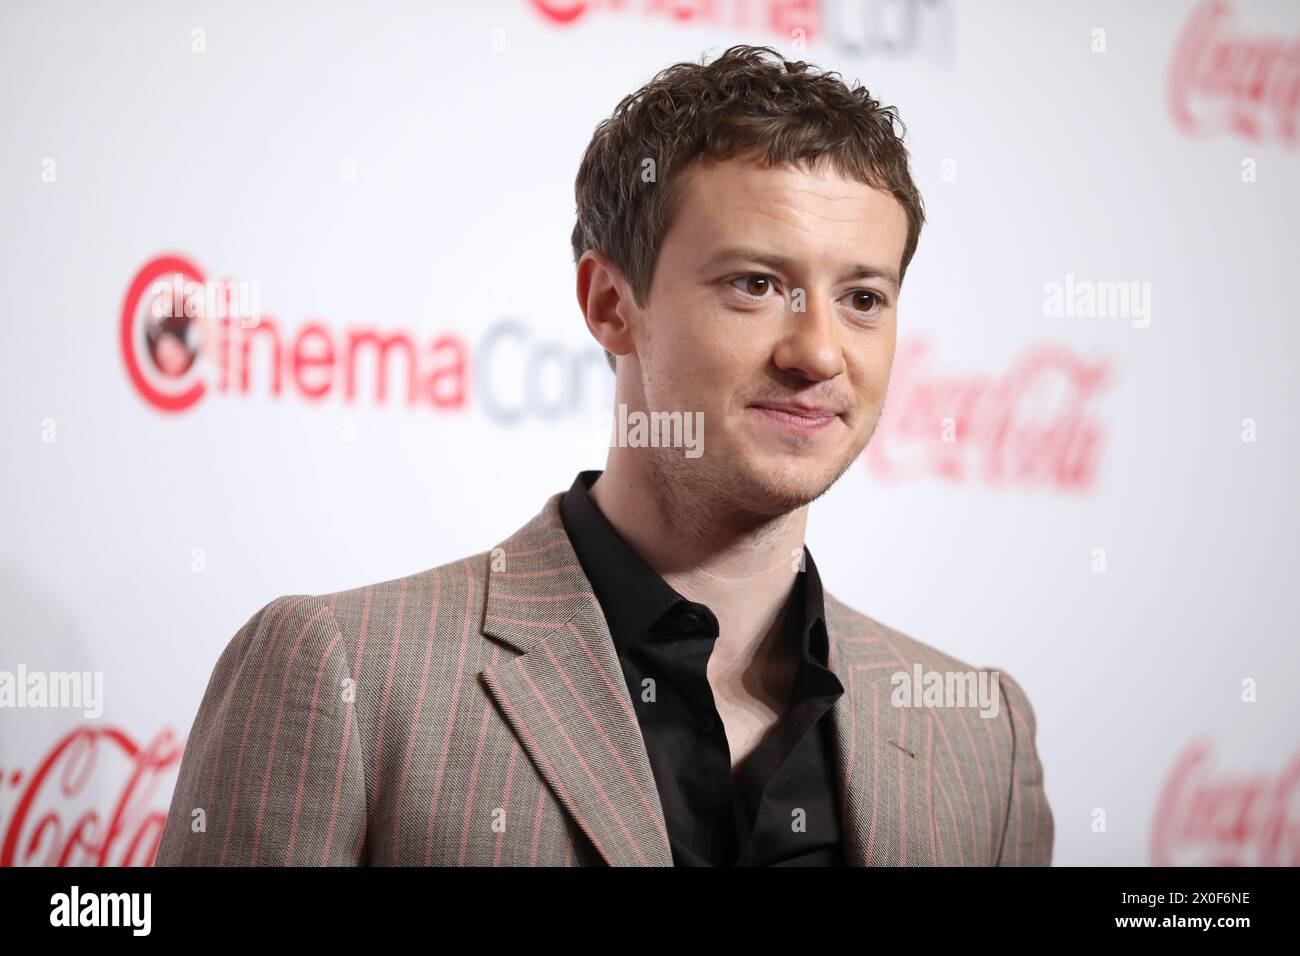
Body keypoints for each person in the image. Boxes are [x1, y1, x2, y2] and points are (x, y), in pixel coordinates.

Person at [155, 44, 1052, 867]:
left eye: (862, 297)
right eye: (755, 285)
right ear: (610, 304)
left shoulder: (981, 736)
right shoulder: (343, 674)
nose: (819, 352)